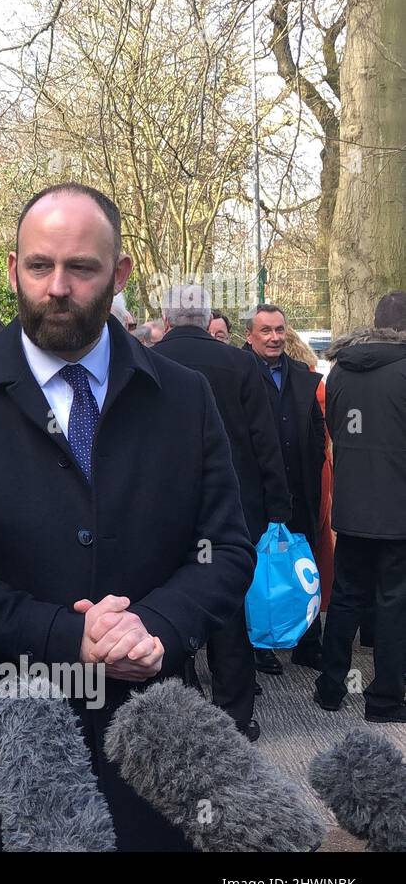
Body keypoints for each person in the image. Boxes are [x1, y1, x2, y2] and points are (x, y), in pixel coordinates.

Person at [0, 184, 255, 852]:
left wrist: (155, 625)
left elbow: (226, 548)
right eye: (39, 266)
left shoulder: (183, 396)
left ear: (118, 275)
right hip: (4, 739)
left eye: (81, 268)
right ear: (13, 270)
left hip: (150, 737)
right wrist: (69, 635)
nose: (57, 287)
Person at [153, 283, 291, 742]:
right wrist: (278, 505)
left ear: (167, 319)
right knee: (228, 606)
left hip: (164, 508)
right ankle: (235, 713)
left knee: (167, 602)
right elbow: (265, 439)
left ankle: (180, 704)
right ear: (208, 316)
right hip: (233, 506)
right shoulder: (241, 364)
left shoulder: (149, 361)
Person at [315, 291, 406, 723]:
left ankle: (330, 688)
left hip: (352, 507)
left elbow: (337, 431)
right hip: (397, 511)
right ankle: (385, 698)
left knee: (347, 597)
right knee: (394, 603)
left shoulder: (338, 372)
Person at [244, 304, 326, 674]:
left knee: (302, 563)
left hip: (299, 487)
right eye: (266, 331)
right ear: (250, 336)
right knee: (260, 569)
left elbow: (317, 432)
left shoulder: (301, 376)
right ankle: (260, 644)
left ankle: (307, 641)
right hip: (256, 492)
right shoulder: (238, 374)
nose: (275, 337)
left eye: (279, 329)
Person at [285, 330, 335, 616]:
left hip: (297, 464)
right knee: (318, 536)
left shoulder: (296, 386)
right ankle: (318, 600)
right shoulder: (320, 385)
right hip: (322, 464)